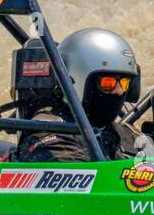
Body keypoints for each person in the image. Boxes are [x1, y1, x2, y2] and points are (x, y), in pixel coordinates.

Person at [15, 28, 142, 161]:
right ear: (76, 79)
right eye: (108, 83)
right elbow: (88, 178)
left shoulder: (126, 135)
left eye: (124, 83)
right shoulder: (48, 134)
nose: (119, 91)